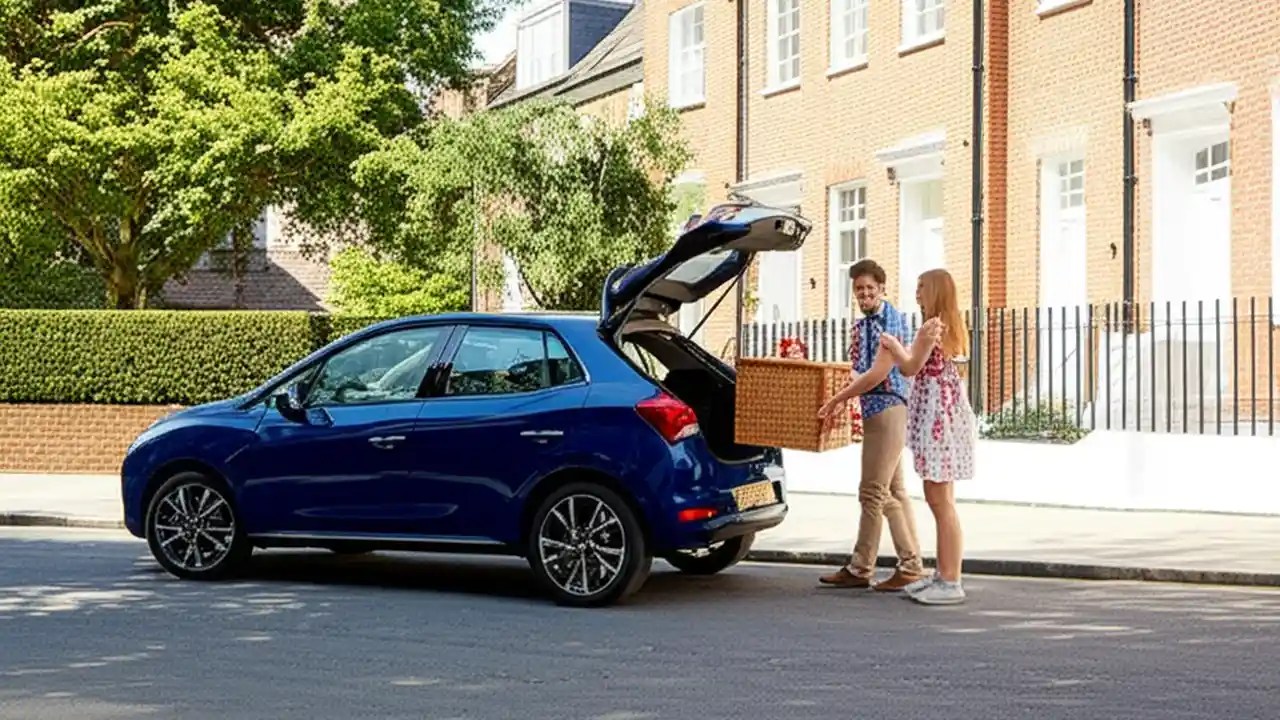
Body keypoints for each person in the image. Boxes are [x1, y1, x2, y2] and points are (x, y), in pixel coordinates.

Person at [862, 268, 977, 605]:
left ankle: (950, 580)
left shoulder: (932, 327)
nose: (917, 292)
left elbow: (910, 367)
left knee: (940, 501)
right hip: (942, 415)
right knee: (940, 499)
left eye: (922, 286)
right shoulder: (946, 325)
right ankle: (943, 574)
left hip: (937, 419)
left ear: (937, 291)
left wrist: (894, 345)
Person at [814, 259, 928, 592]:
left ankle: (861, 567)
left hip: (887, 408)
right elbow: (859, 371)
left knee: (872, 493)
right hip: (876, 410)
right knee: (893, 492)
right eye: (859, 290)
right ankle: (911, 564)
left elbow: (878, 374)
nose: (864, 294)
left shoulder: (888, 321)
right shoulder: (864, 325)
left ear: (882, 289)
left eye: (869, 288)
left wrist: (837, 400)